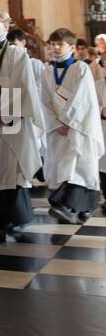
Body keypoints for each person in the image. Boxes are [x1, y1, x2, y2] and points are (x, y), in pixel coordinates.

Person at [0, 9, 45, 242]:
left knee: (13, 169)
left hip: (13, 121)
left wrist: (5, 114)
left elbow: (23, 86)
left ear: (6, 27)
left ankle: (10, 219)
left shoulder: (18, 55)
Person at [42, 28, 103, 223]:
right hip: (57, 129)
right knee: (64, 166)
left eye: (60, 44)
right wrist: (54, 122)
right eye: (53, 44)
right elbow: (43, 101)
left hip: (78, 127)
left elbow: (83, 99)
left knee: (80, 165)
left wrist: (67, 121)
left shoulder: (80, 68)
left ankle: (70, 204)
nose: (56, 48)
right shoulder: (48, 71)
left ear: (72, 47)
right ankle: (74, 205)